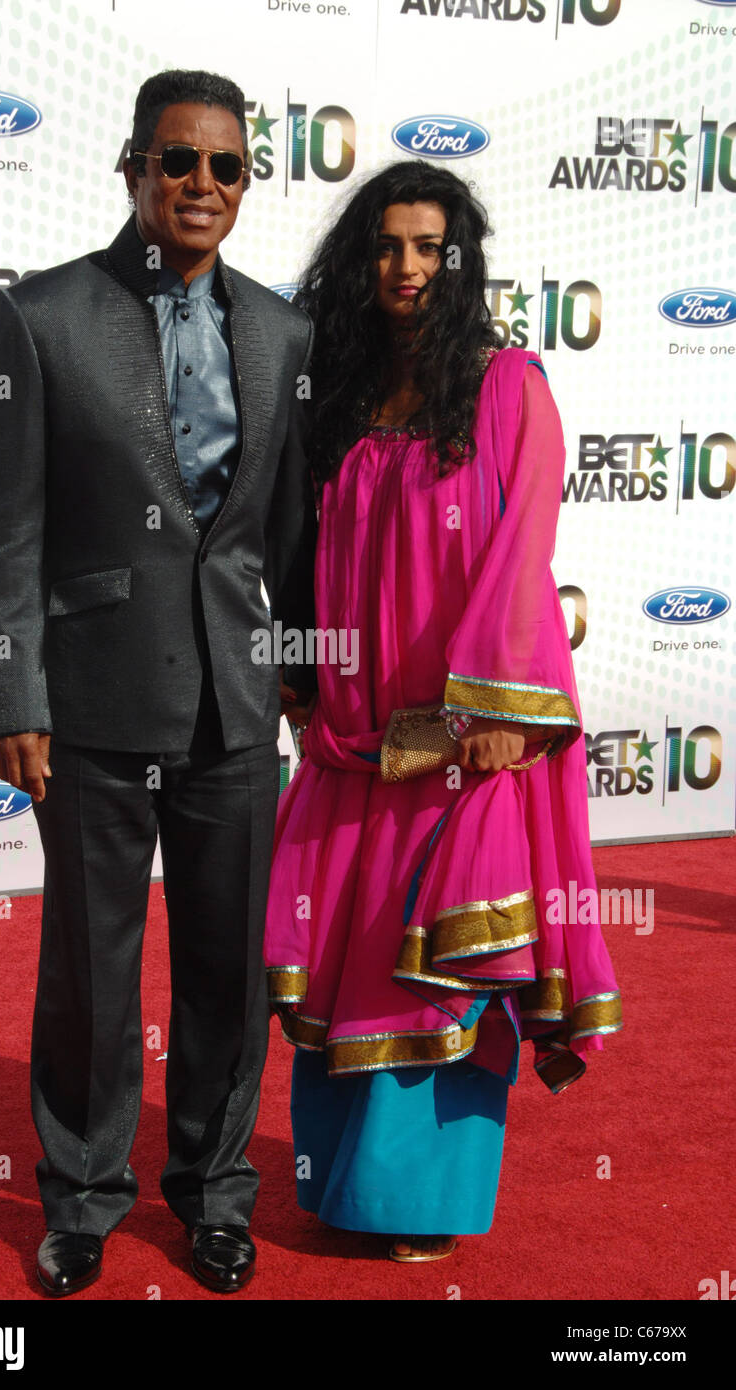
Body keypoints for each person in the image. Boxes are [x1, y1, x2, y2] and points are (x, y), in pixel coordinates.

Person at [0, 68, 316, 1296]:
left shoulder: (281, 332)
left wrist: (311, 684)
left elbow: (294, 543)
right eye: (179, 161)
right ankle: (79, 1196)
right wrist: (11, 695)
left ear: (245, 183)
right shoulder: (45, 318)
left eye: (225, 166)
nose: (202, 185)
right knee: (92, 969)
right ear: (133, 169)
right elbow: (2, 530)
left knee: (227, 968)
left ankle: (216, 1192)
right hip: (96, 703)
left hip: (234, 700)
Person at [267, 161, 622, 1261]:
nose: (407, 267)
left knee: (435, 954)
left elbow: (521, 557)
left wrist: (479, 719)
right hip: (353, 727)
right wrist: (304, 678)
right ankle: (341, 1189)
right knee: (348, 949)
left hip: (464, 733)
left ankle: (420, 1201)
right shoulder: (338, 388)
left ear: (461, 258)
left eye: (429, 246)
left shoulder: (506, 383)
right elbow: (303, 549)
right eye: (385, 246)